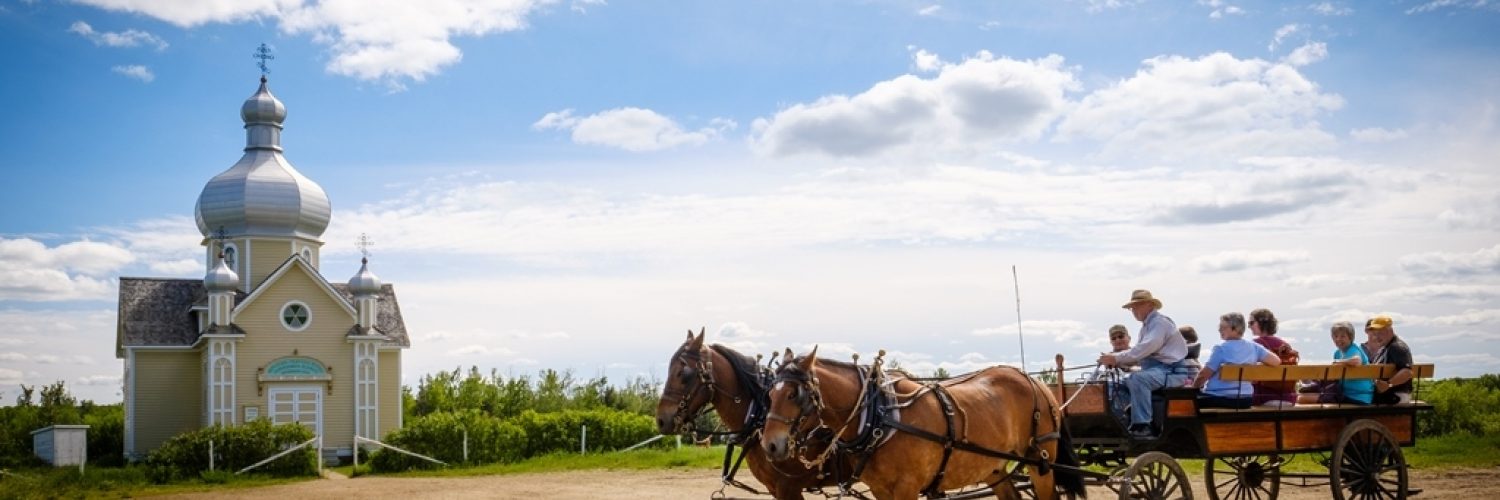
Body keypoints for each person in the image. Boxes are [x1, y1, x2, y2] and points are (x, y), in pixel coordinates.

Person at [1098, 289, 1191, 439]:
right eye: (1132, 308)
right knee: (1109, 383)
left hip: (1171, 372)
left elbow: (1144, 349)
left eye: (1137, 306)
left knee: (1138, 379)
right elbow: (1140, 356)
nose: (1133, 311)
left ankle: (1143, 426)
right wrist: (1114, 360)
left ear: (1149, 305)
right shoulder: (1146, 327)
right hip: (1155, 371)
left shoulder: (1159, 323)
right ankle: (1120, 420)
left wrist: (1115, 358)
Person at [1193, 312, 1281, 409]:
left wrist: (1193, 389)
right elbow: (1276, 361)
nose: (1219, 329)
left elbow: (1203, 375)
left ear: (1234, 328)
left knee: (1189, 402)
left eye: (1222, 327)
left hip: (1220, 398)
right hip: (1245, 400)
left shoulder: (1221, 349)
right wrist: (1252, 367)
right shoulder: (1254, 347)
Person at [1297, 321, 1373, 405]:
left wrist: (1337, 362)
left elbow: (1356, 361)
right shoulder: (1337, 353)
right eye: (1335, 336)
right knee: (1303, 395)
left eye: (1342, 336)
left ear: (1350, 337)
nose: (1338, 339)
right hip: (1344, 394)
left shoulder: (1353, 349)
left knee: (1301, 399)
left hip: (1356, 397)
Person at [1248, 308, 1299, 407]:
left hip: (1264, 398)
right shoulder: (1284, 345)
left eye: (1251, 322)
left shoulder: (1254, 345)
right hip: (1288, 399)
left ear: (1261, 323)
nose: (1249, 326)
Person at [1366, 315, 1415, 405]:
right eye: (1375, 334)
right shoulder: (1386, 347)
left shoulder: (1396, 347)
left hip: (1394, 395)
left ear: (1390, 331)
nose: (1377, 337)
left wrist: (1388, 384)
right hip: (1388, 394)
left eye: (1380, 333)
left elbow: (1407, 372)